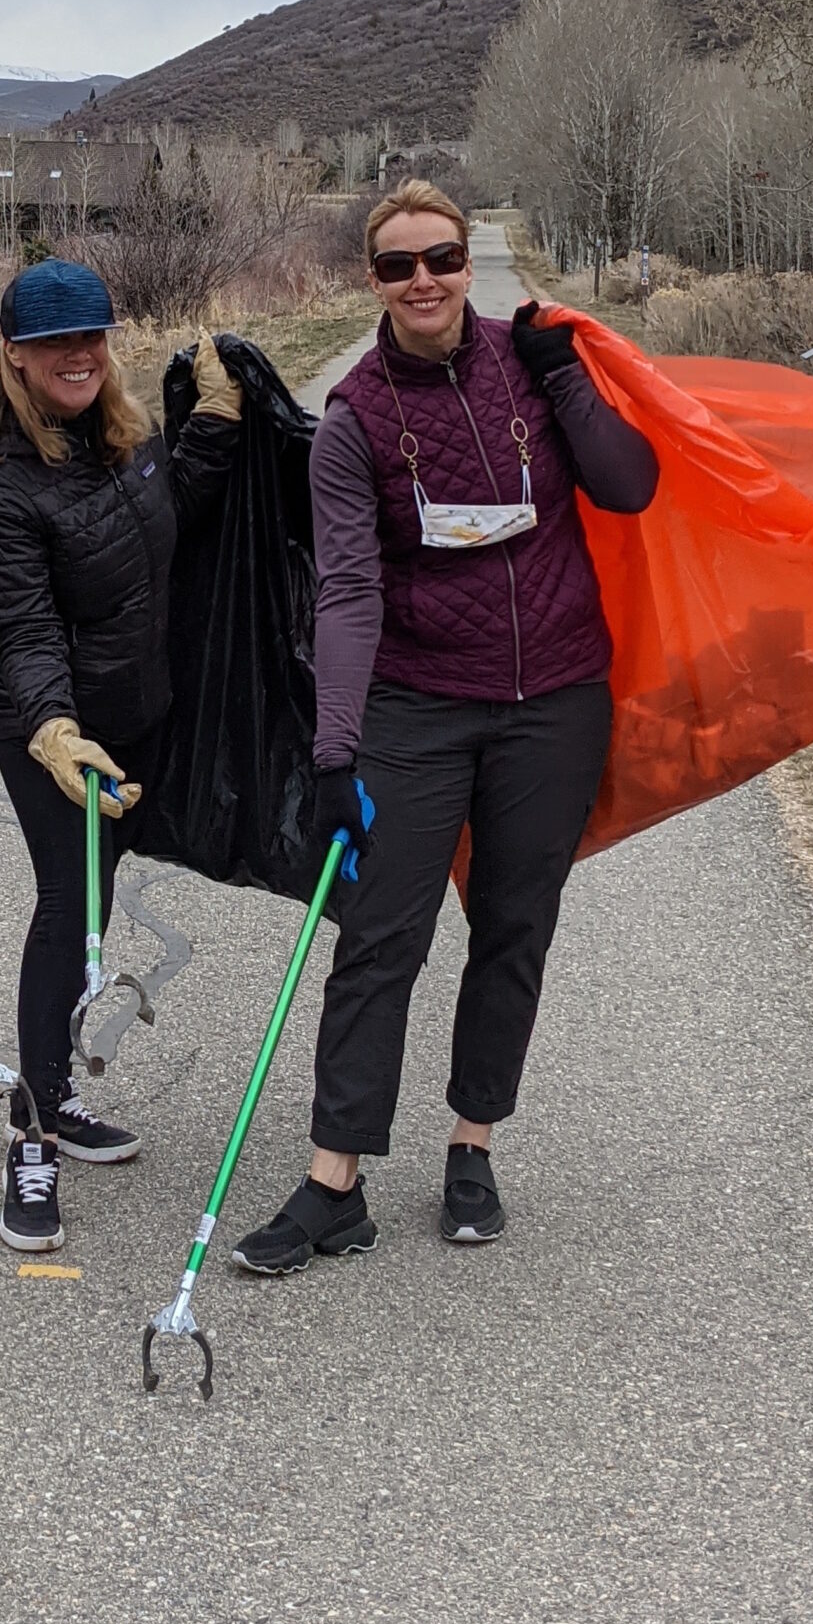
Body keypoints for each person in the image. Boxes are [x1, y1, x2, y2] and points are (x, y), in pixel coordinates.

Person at [233, 180, 658, 1274]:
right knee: (382, 939)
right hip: (417, 710)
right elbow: (347, 595)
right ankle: (337, 1181)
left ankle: (473, 1145)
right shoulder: (356, 420)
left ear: (468, 264)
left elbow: (627, 487)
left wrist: (568, 384)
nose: (422, 279)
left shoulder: (535, 364)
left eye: (441, 258)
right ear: (369, 280)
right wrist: (334, 752)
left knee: (515, 926)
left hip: (555, 701)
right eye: (395, 265)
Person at [0, 258, 244, 1254]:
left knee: (96, 906)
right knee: (68, 909)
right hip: (56, 732)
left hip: (136, 715)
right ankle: (32, 1133)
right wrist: (51, 728)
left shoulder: (122, 435)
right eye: (53, 343)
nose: (77, 356)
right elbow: (24, 624)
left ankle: (59, 1094)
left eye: (92, 337)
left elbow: (166, 519)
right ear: (16, 354)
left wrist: (216, 423)